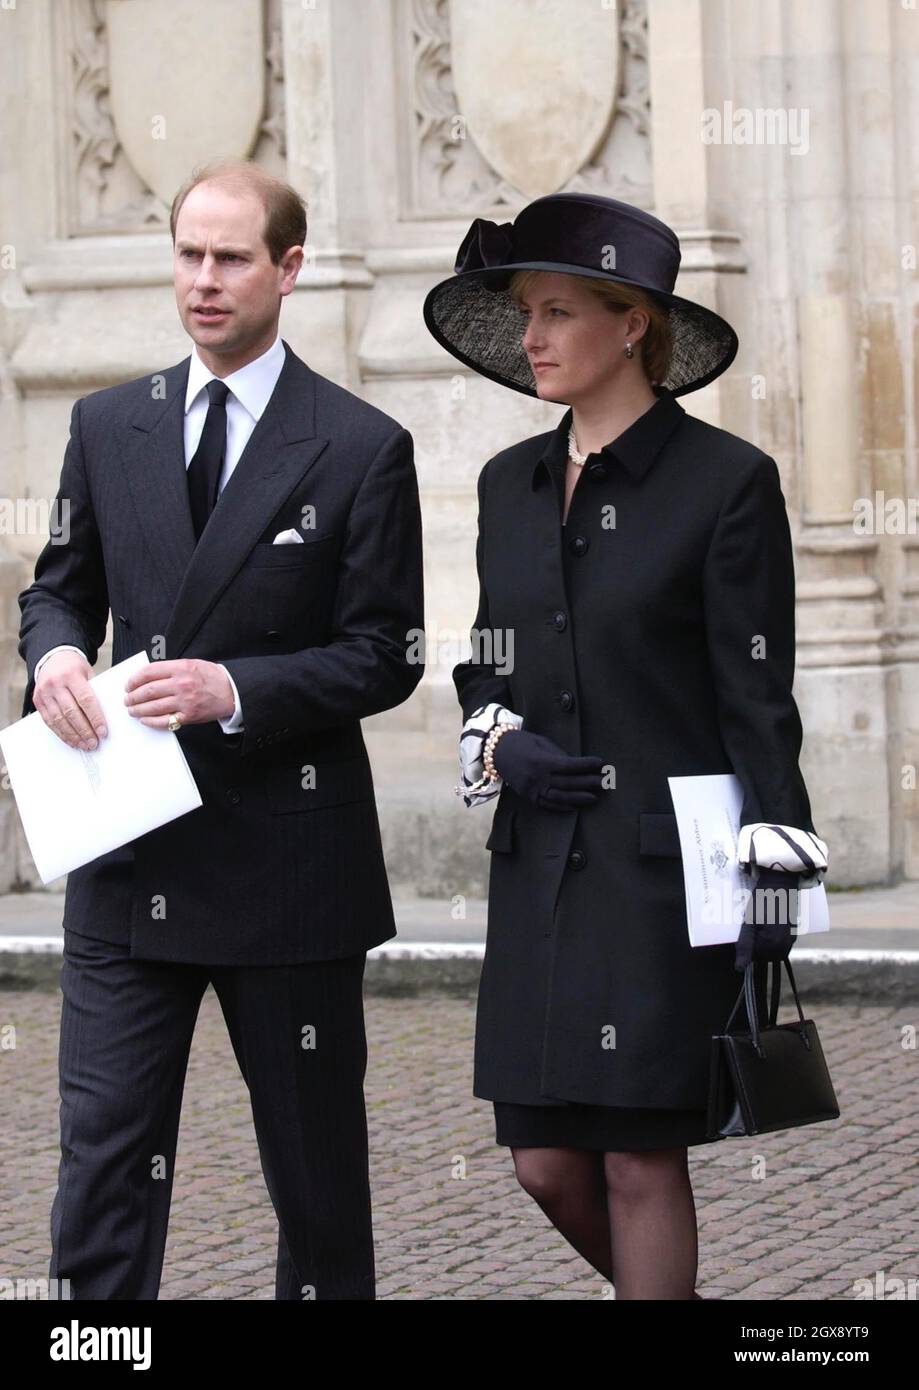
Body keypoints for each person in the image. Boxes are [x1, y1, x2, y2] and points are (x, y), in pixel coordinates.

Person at [18, 157, 424, 1300]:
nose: (203, 281)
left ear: (289, 270)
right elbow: (59, 588)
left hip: (289, 867)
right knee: (100, 1164)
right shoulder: (107, 425)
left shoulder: (358, 445)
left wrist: (233, 690)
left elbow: (384, 653)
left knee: (315, 1179)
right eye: (188, 255)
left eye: (231, 257)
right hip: (127, 854)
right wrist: (53, 653)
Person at [423, 192, 828, 1300]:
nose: (533, 339)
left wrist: (775, 871)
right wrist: (497, 742)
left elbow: (756, 694)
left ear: (632, 323)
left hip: (662, 879)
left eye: (557, 313)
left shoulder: (726, 484)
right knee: (544, 1162)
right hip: (538, 868)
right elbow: (486, 658)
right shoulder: (507, 484)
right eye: (525, 314)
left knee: (640, 1158)